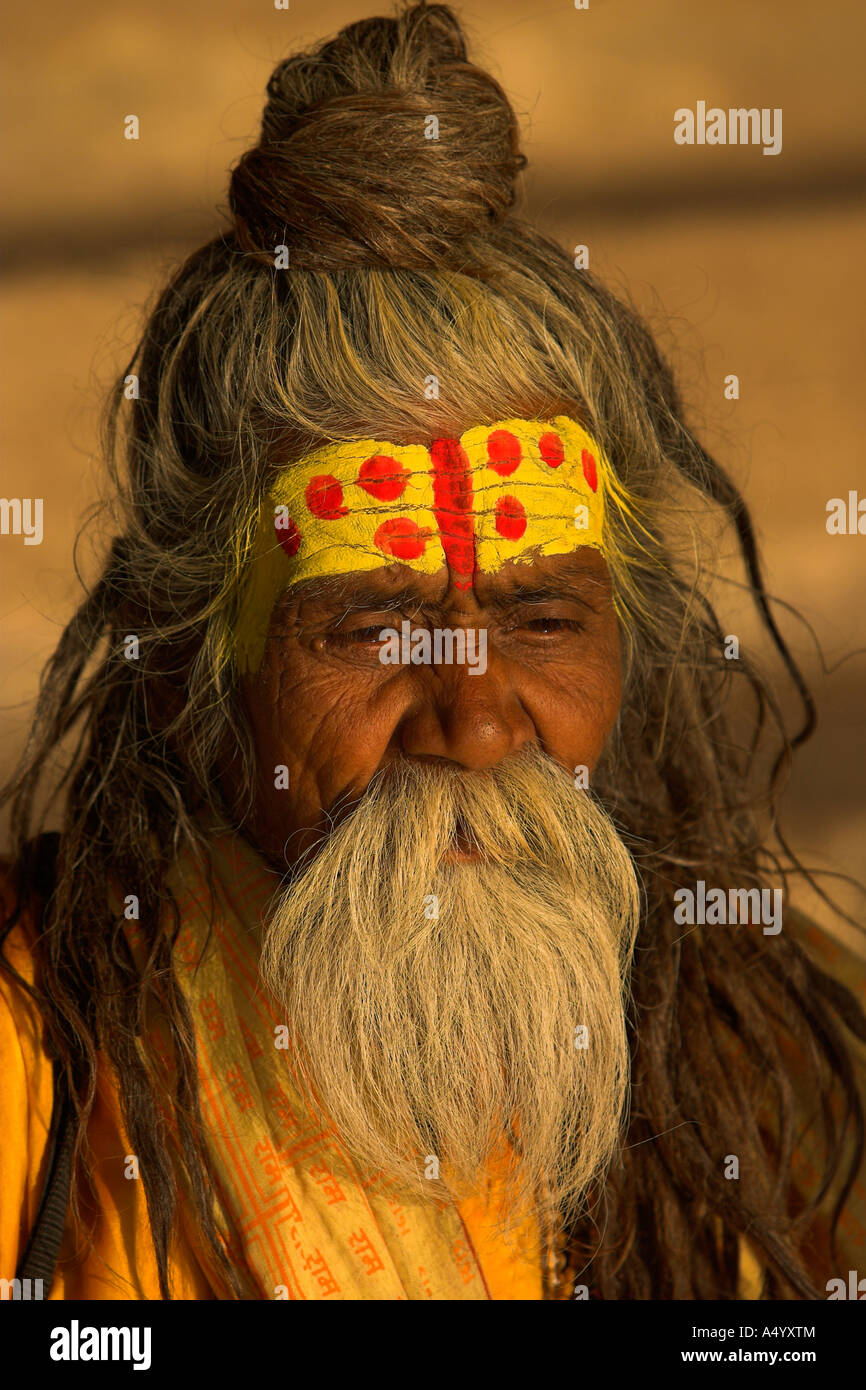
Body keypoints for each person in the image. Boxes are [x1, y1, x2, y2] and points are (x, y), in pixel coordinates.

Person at [1, 1, 864, 1302]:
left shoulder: (763, 1046)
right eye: (366, 624)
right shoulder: (39, 1064)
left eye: (541, 619)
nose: (474, 716)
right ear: (189, 668)